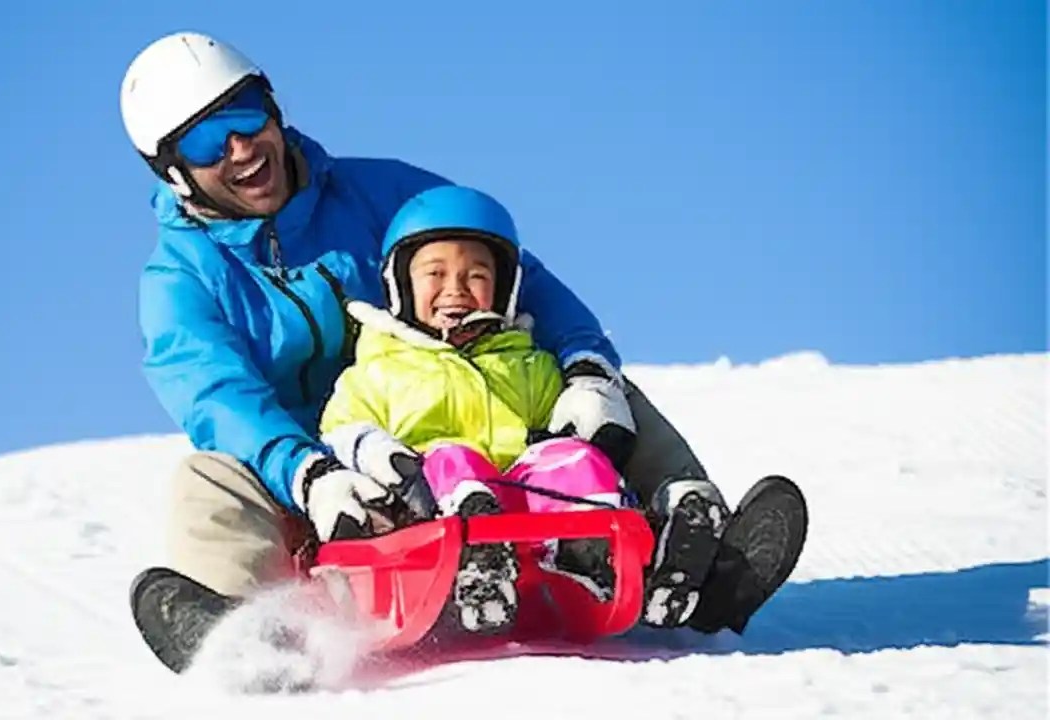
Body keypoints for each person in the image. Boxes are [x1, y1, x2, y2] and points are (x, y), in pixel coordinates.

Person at [119, 31, 802, 675]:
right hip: (325, 475)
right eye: (208, 140)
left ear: (273, 107)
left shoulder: (381, 193)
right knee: (207, 478)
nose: (240, 147)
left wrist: (587, 365)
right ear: (175, 171)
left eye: (246, 114)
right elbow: (217, 398)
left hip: (461, 422)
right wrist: (312, 474)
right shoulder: (180, 282)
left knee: (602, 392)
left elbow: (512, 274)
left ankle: (704, 562)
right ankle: (255, 643)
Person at [319, 185, 635, 635]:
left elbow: (561, 432)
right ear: (401, 285)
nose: (456, 290)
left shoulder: (526, 364)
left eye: (476, 275)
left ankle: (586, 554)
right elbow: (340, 429)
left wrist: (582, 429)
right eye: (435, 273)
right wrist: (376, 451)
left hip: (527, 514)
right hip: (424, 519)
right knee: (453, 457)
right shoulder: (378, 371)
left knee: (575, 458)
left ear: (504, 288)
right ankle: (478, 553)